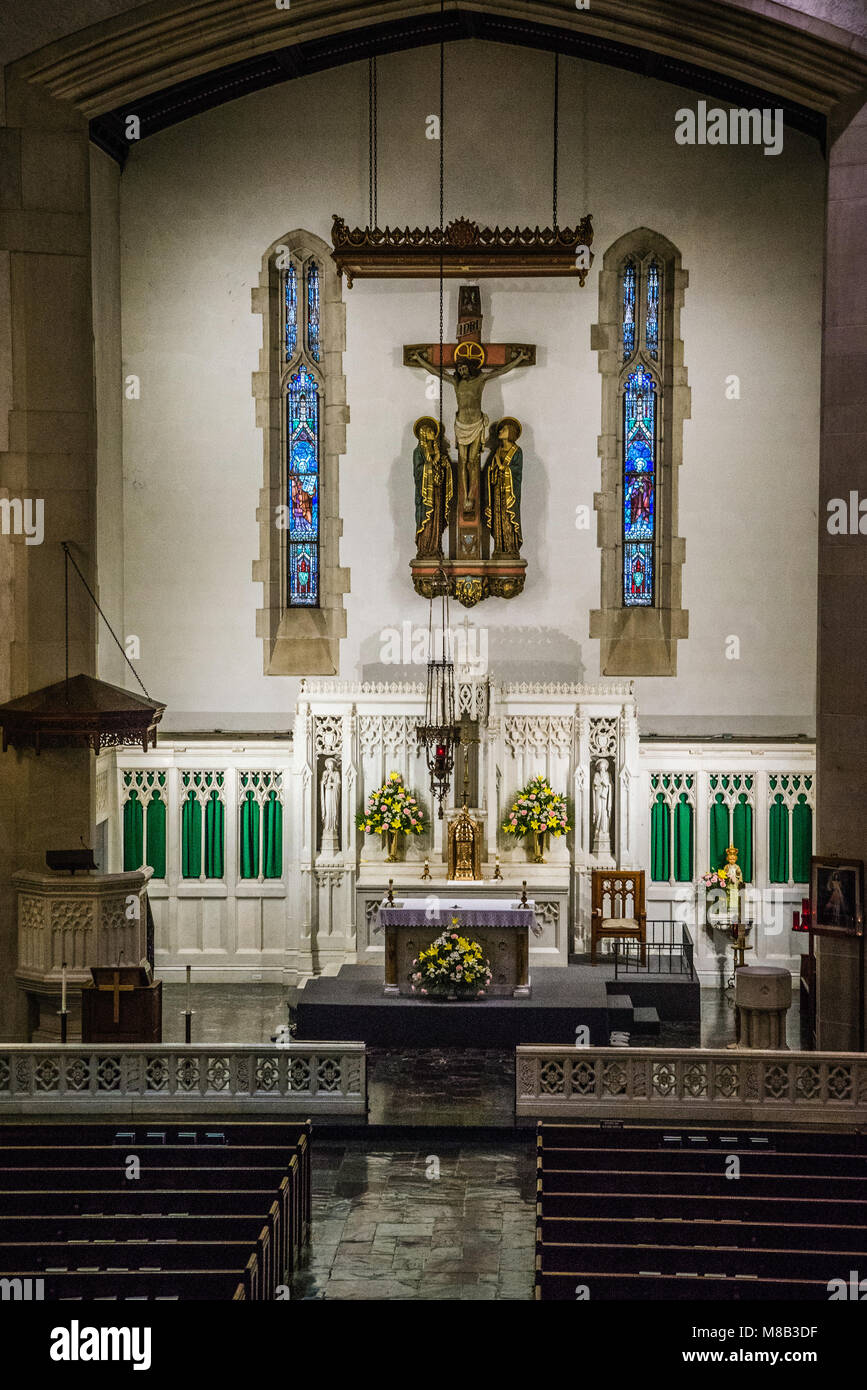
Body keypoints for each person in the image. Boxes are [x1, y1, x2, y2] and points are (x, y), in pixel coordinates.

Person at [412, 417, 453, 556]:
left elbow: (441, 470)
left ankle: (435, 547)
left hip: (436, 491)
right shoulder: (419, 452)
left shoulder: (436, 451)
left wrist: (444, 463)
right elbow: (418, 472)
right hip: (425, 494)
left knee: (436, 518)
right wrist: (433, 462)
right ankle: (425, 548)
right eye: (430, 431)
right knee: (427, 518)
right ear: (423, 433)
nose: (433, 434)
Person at [483, 418, 524, 555]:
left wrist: (502, 468)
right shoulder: (498, 451)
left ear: (511, 432)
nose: (500, 431)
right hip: (497, 492)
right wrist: (492, 472)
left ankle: (511, 548)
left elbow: (516, 473)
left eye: (504, 429)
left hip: (509, 494)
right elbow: (491, 473)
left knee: (508, 519)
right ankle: (500, 547)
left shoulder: (516, 452)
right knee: (498, 519)